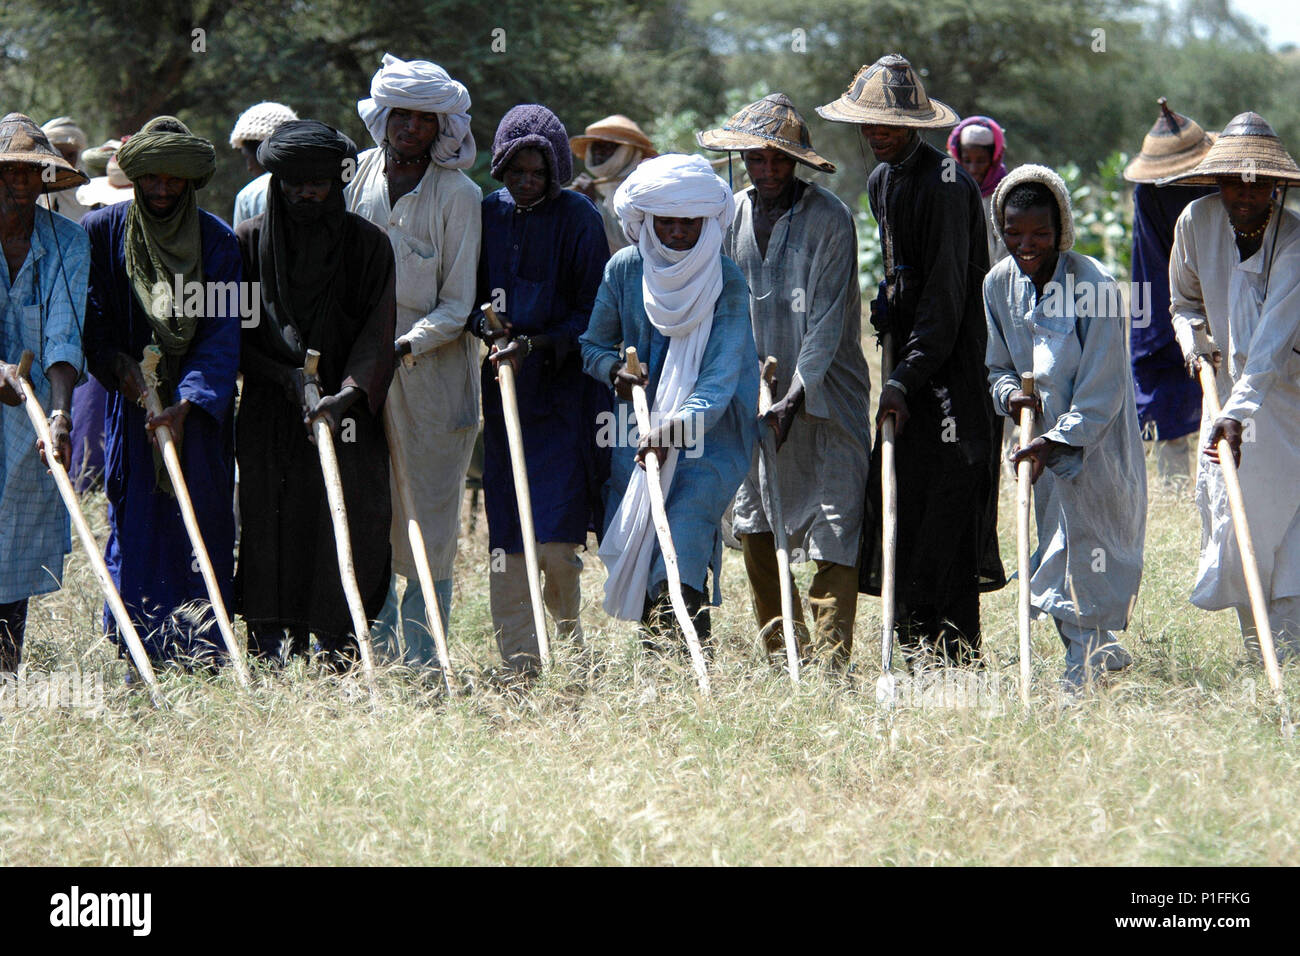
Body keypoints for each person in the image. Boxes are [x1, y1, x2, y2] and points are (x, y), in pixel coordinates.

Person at [817, 54, 1005, 668]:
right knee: (904, 499)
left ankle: (953, 658)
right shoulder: (881, 183)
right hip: (909, 369)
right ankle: (911, 647)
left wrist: (903, 375)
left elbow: (948, 299)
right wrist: (888, 313)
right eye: (869, 126)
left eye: (890, 127)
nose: (877, 136)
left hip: (952, 373)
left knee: (947, 507)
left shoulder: (947, 186)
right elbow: (906, 278)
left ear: (918, 126)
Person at [697, 93, 870, 667]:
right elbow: (719, 307)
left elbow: (826, 321)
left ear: (796, 161)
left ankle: (831, 663)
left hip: (826, 399)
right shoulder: (731, 217)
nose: (767, 171)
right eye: (756, 159)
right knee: (755, 519)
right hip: (752, 396)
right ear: (742, 159)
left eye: (778, 159)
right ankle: (782, 653)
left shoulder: (830, 219)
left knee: (836, 523)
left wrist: (797, 393)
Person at [235, 120, 397, 668]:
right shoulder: (247, 243)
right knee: (270, 528)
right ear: (276, 181)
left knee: (349, 526)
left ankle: (339, 655)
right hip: (269, 417)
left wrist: (347, 393)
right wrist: (284, 377)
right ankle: (269, 654)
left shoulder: (369, 246)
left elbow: (379, 334)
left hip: (347, 420)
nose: (307, 193)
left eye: (319, 183)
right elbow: (230, 336)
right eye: (295, 183)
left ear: (338, 182)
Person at [581, 153, 759, 650]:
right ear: (648, 221)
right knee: (648, 543)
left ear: (706, 222)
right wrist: (611, 370)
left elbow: (721, 378)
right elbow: (592, 344)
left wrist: (675, 430)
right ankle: (660, 673)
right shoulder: (624, 270)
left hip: (709, 441)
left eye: (689, 222)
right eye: (667, 222)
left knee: (683, 543)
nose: (678, 232)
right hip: (634, 437)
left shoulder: (727, 281)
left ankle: (683, 661)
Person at [82, 116, 242, 669]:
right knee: (136, 522)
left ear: (191, 182)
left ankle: (203, 653)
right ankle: (137, 651)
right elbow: (92, 321)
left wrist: (190, 400)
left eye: (175, 180)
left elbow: (224, 335)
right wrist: (117, 366)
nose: (163, 189)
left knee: (202, 523)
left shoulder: (219, 242)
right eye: (153, 177)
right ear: (138, 176)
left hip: (197, 415)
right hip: (132, 409)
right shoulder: (102, 234)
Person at [984, 165, 1146, 691]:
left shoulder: (1094, 284)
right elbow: (997, 367)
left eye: (1040, 234)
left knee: (1090, 545)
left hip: (1091, 443)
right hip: (1036, 438)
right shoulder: (997, 285)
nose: (1025, 245)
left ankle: (1088, 661)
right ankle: (1093, 652)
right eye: (1014, 233)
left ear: (1061, 231)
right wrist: (1010, 395)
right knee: (1051, 548)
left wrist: (1057, 440)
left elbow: (1105, 386)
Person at [347, 53, 481, 668]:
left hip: (429, 376)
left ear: (441, 128)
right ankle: (368, 654)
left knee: (427, 521)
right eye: (401, 115)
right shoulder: (359, 175)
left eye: (424, 120)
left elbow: (457, 304)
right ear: (384, 116)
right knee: (368, 510)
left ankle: (425, 661)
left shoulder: (459, 195)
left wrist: (400, 346)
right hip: (357, 375)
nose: (410, 128)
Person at [472, 104, 610, 675]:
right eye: (515, 171)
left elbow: (594, 313)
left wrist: (538, 344)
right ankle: (521, 667)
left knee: (553, 537)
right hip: (504, 392)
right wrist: (488, 328)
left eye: (537, 172)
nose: (526, 182)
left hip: (563, 395)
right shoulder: (484, 216)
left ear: (554, 170)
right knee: (507, 540)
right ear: (501, 167)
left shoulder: (578, 218)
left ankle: (567, 650)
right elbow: (467, 298)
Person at [1162, 112, 1300, 662]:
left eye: (1257, 182)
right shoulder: (1195, 223)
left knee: (1288, 528)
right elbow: (1183, 303)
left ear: (1276, 186)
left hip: (1286, 401)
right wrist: (1194, 342)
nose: (1245, 193)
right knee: (1238, 518)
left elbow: (1271, 340)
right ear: (1215, 181)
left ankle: (1288, 657)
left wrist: (1237, 414)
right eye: (1233, 180)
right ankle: (1257, 651)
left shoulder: (1294, 239)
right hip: (1223, 398)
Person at [0, 113, 89, 672]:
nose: (21, 181)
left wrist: (59, 414)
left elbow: (65, 332)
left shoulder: (67, 243)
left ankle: (6, 668)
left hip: (29, 411)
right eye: (10, 169)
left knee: (16, 536)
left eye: (34, 171)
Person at [1123, 98, 1217, 492]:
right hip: (1165, 297)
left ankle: (1209, 482)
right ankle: (1177, 490)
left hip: (1197, 292)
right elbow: (1156, 258)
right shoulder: (1151, 195)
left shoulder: (1219, 182)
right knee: (1168, 388)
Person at [569, 115, 657, 253]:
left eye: (608, 146)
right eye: (596, 146)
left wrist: (593, 201)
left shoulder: (645, 188)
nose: (599, 152)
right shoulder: (593, 187)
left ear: (628, 152)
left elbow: (631, 244)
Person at [946, 115, 1010, 265]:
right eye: (967, 161)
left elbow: (1006, 250)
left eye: (981, 161)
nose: (973, 169)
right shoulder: (952, 193)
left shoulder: (1004, 195)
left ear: (993, 159)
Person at [229, 101, 298, 227]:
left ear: (261, 153)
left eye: (247, 157)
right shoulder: (325, 185)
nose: (249, 168)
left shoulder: (248, 196)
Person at [36, 116, 90, 223]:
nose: (64, 161)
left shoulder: (90, 195)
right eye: (57, 154)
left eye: (70, 155)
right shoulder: (33, 192)